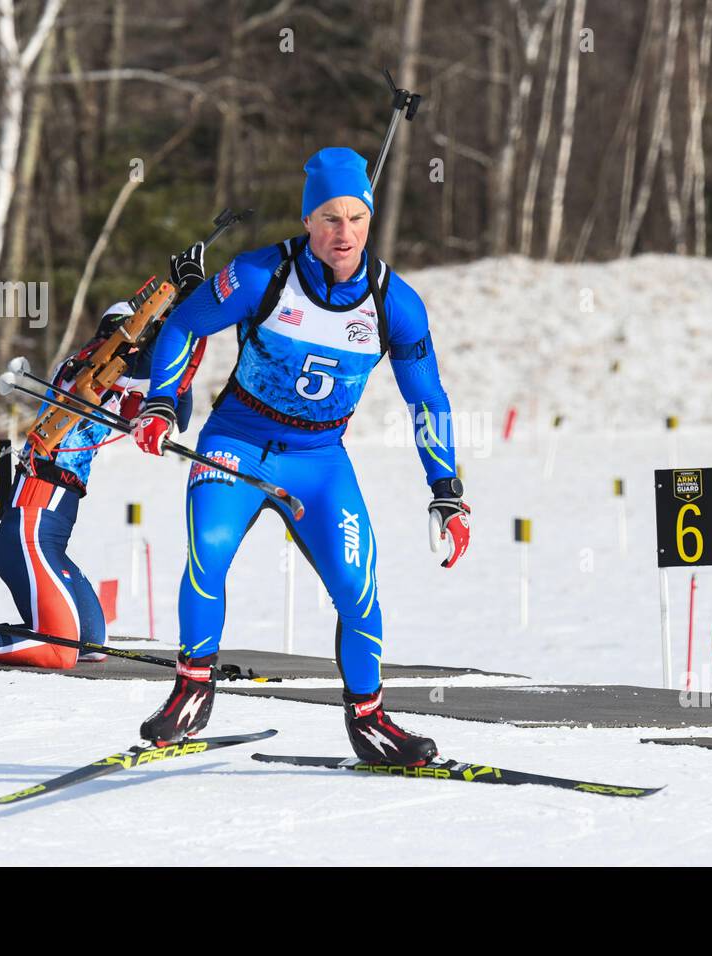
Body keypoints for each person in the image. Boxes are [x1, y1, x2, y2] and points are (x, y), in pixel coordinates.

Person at [132, 147, 471, 765]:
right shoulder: (261, 274)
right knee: (207, 553)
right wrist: (159, 403)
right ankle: (191, 690)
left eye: (356, 219)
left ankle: (370, 723)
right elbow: (184, 324)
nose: (345, 234)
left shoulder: (395, 304)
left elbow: (429, 399)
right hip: (236, 442)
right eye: (330, 219)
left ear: (370, 221)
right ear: (309, 220)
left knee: (357, 588)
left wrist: (446, 490)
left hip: (318, 461)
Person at [0, 252, 207, 668]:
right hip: (29, 527)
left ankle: (8, 634)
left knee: (91, 645)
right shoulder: (83, 370)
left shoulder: (119, 389)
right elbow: (143, 360)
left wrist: (184, 333)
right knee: (60, 651)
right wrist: (186, 303)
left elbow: (179, 411)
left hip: (53, 536)